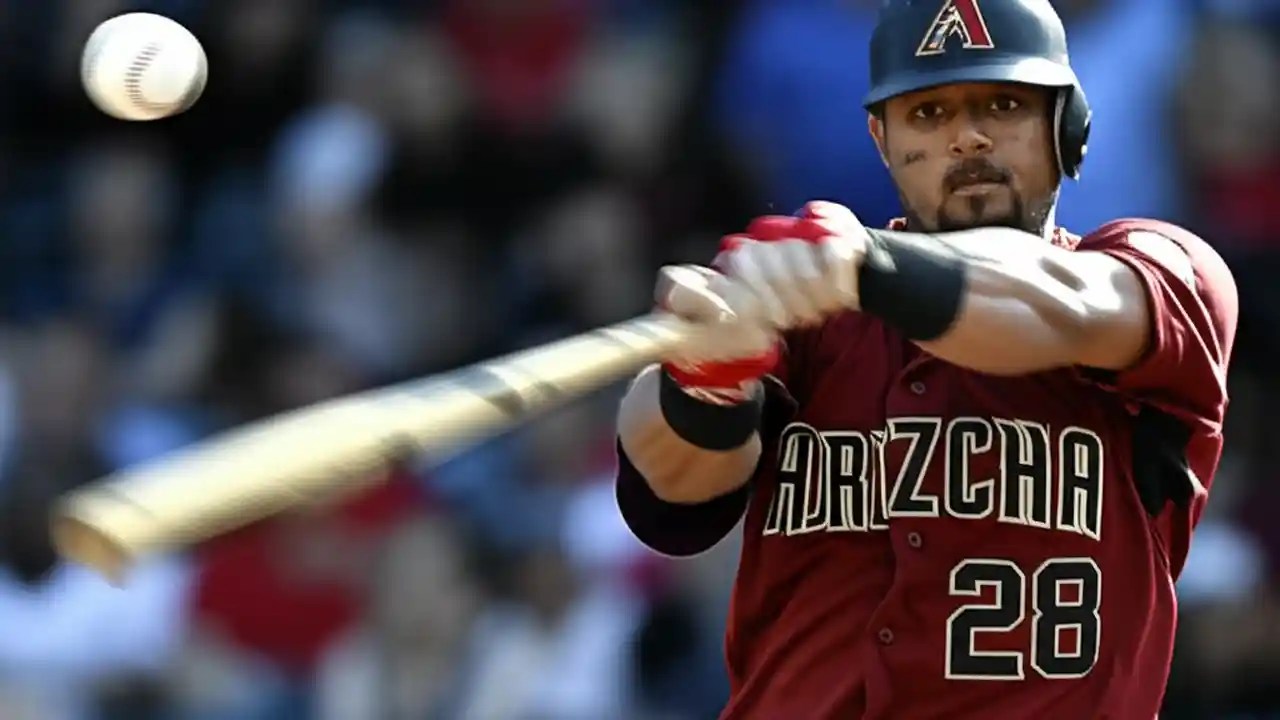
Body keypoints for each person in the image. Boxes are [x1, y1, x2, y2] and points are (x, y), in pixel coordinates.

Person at [613, 1, 1239, 718]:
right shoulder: (815, 313)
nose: (968, 138)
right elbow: (670, 492)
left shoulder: (1159, 270)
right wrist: (707, 380)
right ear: (883, 140)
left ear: (1069, 127)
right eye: (928, 114)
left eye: (1003, 104)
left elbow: (1051, 300)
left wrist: (867, 265)